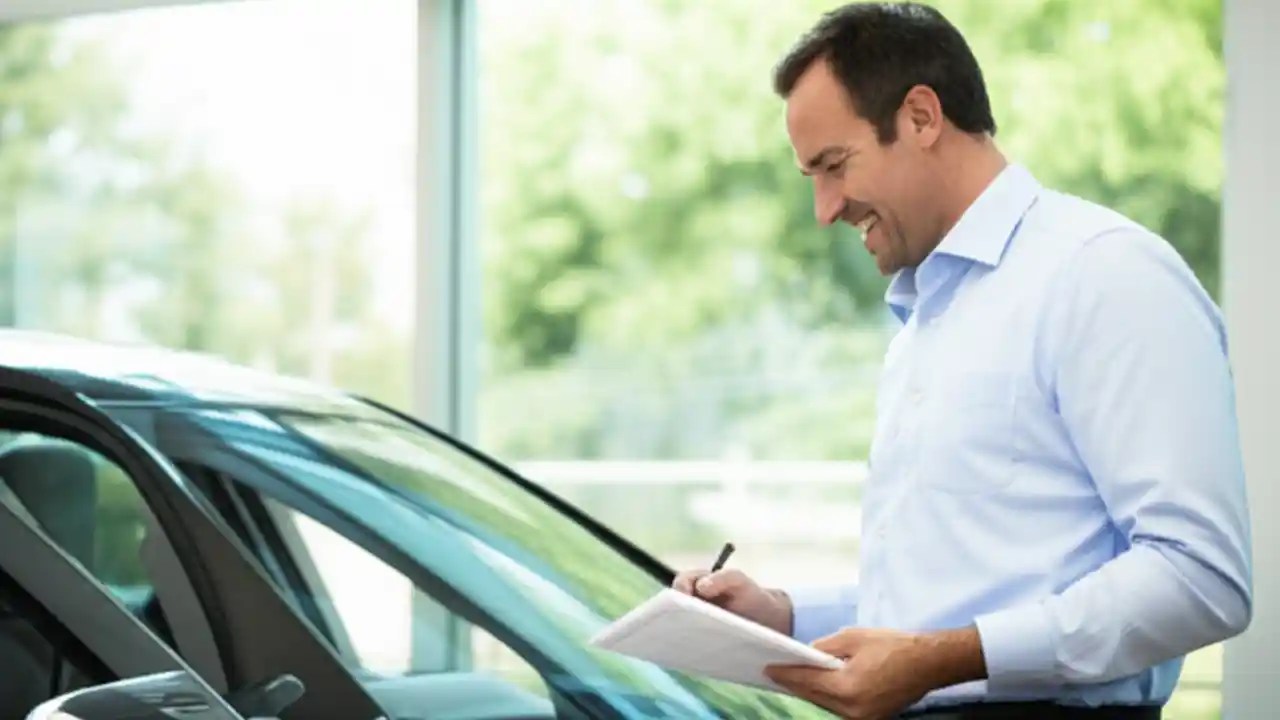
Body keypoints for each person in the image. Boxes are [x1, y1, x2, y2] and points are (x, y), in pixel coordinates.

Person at [672, 3, 1252, 719]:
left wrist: (943, 661)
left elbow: (1202, 578)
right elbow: (958, 596)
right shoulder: (926, 320)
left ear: (920, 117)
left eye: (834, 166)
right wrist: (785, 616)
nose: (824, 208)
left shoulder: (1104, 276)